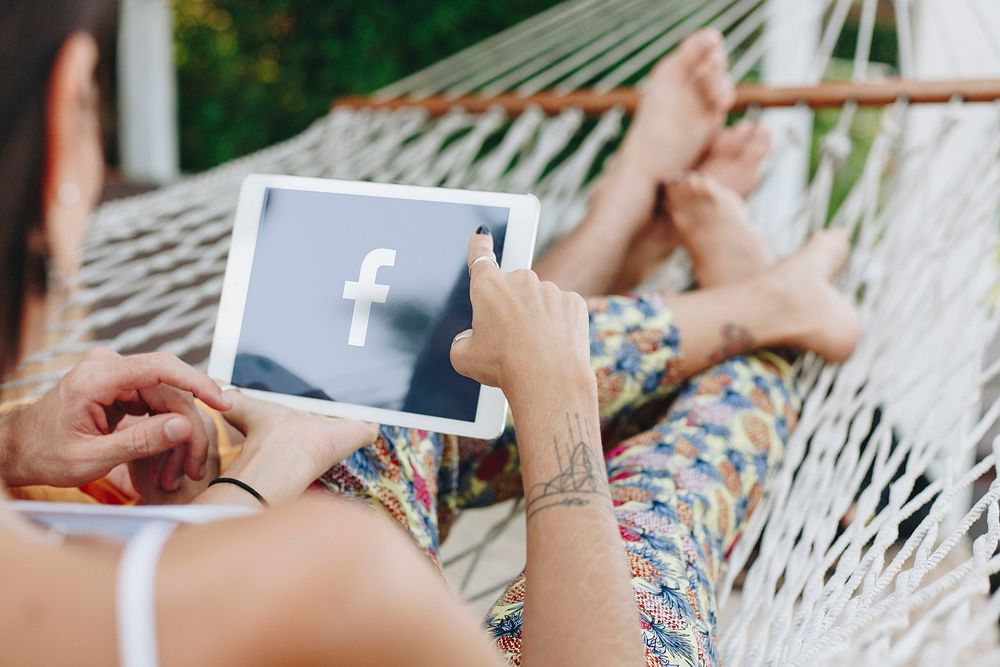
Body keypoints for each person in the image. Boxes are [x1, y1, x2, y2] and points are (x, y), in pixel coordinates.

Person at [0, 2, 861, 665]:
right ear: (66, 117)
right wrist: (556, 409)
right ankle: (768, 323)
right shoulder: (331, 579)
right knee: (657, 505)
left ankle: (661, 249)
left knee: (404, 399)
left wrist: (13, 445)